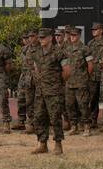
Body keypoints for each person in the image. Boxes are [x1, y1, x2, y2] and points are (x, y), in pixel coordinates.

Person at [28, 27, 67, 155]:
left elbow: (67, 71)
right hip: (41, 91)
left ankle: (58, 144)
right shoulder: (37, 52)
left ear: (51, 38)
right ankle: (42, 144)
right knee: (39, 117)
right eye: (40, 38)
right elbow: (36, 68)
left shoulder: (58, 52)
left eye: (43, 37)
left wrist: (57, 83)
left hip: (54, 91)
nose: (41, 40)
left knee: (55, 117)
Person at [62, 27, 94, 135]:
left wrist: (85, 78)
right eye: (71, 35)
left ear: (79, 36)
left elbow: (90, 66)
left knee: (83, 105)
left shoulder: (85, 49)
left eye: (74, 35)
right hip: (69, 82)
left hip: (81, 82)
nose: (72, 37)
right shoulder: (67, 49)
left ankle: (86, 127)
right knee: (69, 105)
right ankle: (74, 126)